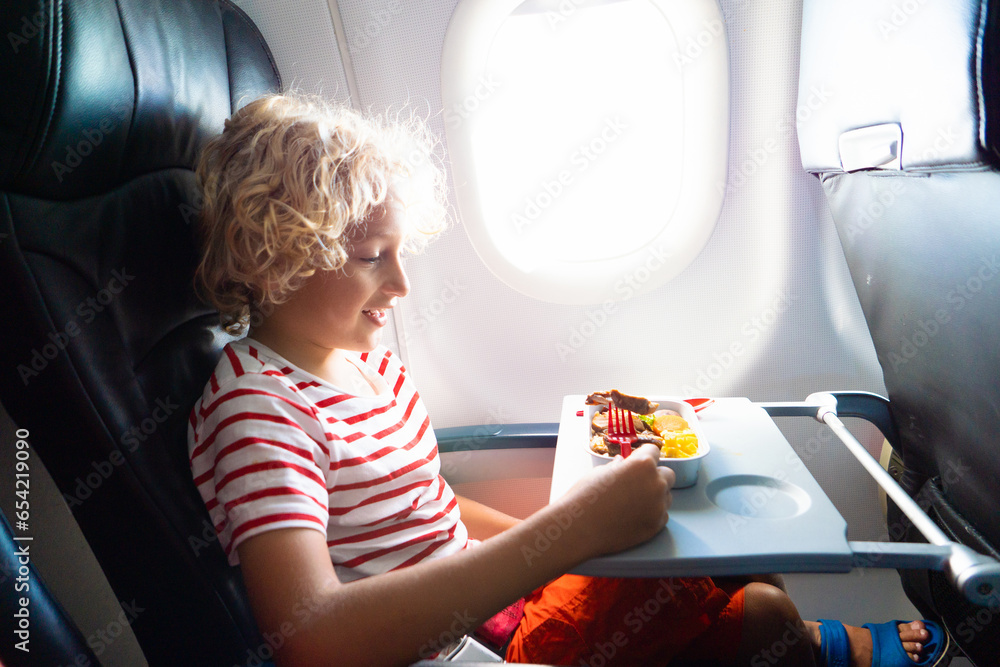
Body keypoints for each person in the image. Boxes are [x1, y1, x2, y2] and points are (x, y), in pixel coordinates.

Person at [187, 92, 947, 667]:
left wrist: (568, 545)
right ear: (275, 254)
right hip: (462, 653)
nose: (401, 285)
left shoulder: (369, 367)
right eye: (370, 257)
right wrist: (568, 537)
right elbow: (310, 636)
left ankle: (794, 636)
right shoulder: (258, 410)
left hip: (497, 610)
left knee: (758, 599)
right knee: (694, 534)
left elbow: (433, 509)